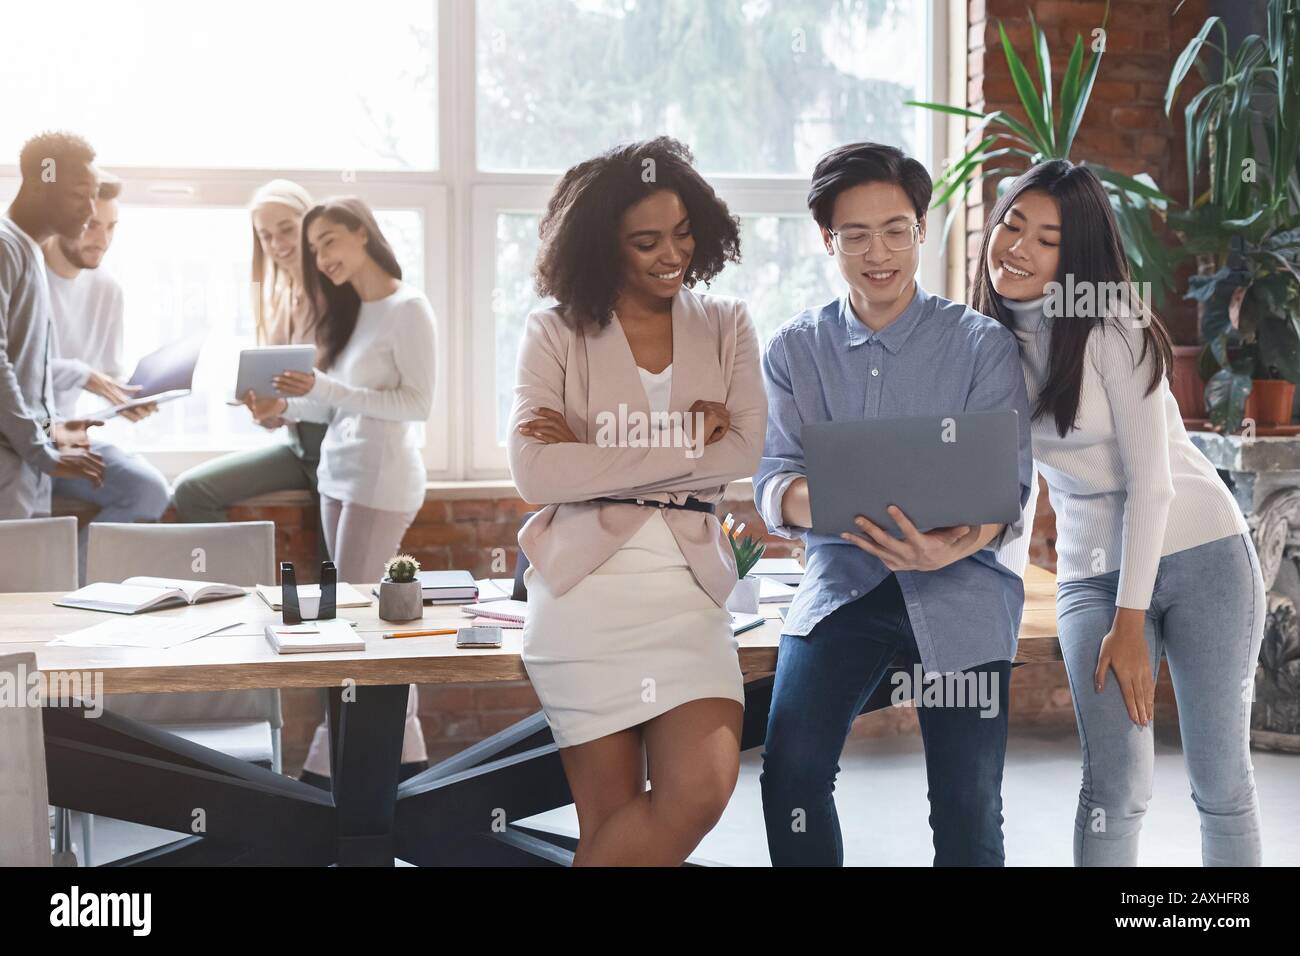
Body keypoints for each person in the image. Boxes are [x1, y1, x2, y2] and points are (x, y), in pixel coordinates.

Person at [970, 160, 1266, 866]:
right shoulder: (982, 344)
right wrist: (993, 600)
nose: (1018, 246)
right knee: (1117, 785)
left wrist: (1129, 624)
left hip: (1203, 554)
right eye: (1013, 223)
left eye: (1047, 239)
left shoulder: (1111, 327)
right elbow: (1014, 490)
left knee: (1221, 780)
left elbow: (1153, 485)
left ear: (1075, 258)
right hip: (1092, 572)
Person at [752, 142, 1034, 866]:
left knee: (969, 812)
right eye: (856, 235)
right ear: (828, 241)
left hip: (964, 586)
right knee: (790, 775)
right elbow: (775, 483)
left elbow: (1008, 488)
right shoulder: (794, 351)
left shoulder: (981, 346)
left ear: (921, 230)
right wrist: (842, 507)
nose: (880, 253)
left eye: (897, 229)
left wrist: (950, 546)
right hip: (844, 586)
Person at [507, 137, 767, 866]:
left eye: (683, 233)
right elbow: (534, 472)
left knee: (700, 791)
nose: (671, 254)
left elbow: (743, 453)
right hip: (585, 598)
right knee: (616, 828)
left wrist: (590, 456)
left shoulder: (727, 324)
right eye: (645, 241)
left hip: (689, 600)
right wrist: (684, 443)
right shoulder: (554, 329)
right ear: (601, 247)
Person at [245, 196, 433, 786]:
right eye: (314, 249)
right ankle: (401, 762)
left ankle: (329, 773)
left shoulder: (409, 308)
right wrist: (281, 409)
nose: (320, 257)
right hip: (338, 474)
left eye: (328, 241)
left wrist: (326, 388)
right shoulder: (349, 311)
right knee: (363, 622)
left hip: (383, 480)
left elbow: (416, 404)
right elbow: (332, 402)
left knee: (354, 626)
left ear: (362, 232)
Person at [171, 180, 328, 526]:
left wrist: (285, 407)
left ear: (311, 225)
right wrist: (267, 411)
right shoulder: (279, 300)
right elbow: (282, 401)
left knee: (331, 574)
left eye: (287, 230)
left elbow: (343, 395)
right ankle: (233, 583)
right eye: (266, 236)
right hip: (299, 449)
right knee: (191, 491)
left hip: (337, 454)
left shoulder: (336, 297)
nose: (278, 244)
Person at [42, 170, 170, 582]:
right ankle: (36, 597)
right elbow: (17, 370)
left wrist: (128, 397)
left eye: (111, 226)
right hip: (20, 437)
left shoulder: (107, 289)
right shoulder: (24, 275)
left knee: (149, 489)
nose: (102, 238)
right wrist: (85, 376)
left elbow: (108, 372)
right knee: (29, 506)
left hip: (69, 437)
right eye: (91, 224)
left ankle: (69, 587)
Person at [1, 130, 106, 521]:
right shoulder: (4, 247)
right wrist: (40, 448)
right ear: (38, 186)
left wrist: (50, 427)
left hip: (23, 467)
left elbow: (25, 374)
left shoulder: (28, 249)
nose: (91, 210)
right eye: (79, 195)